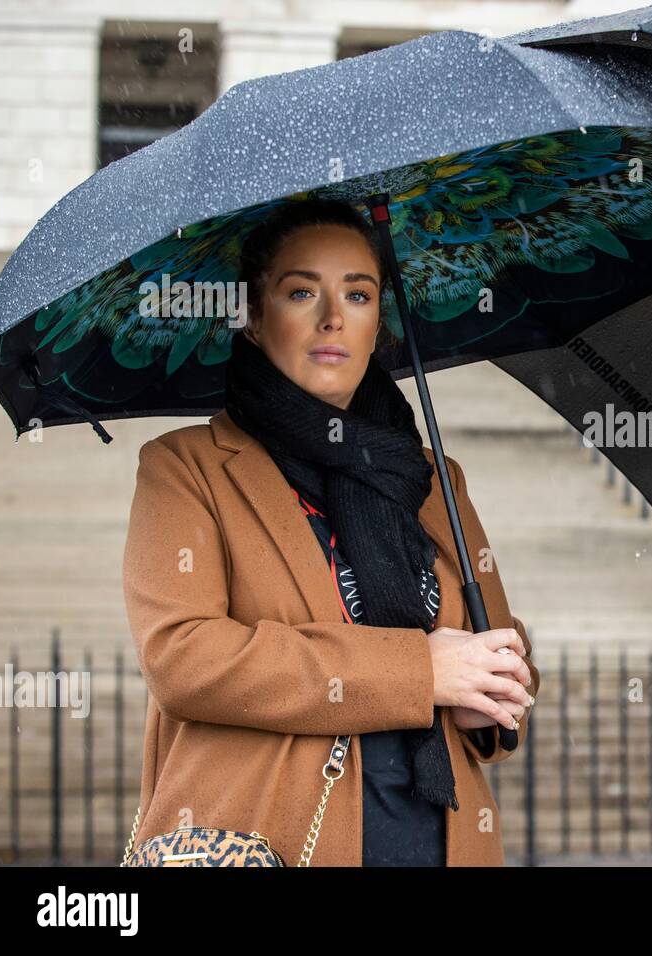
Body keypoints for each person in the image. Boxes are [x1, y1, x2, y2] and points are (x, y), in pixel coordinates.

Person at [123, 198, 539, 866]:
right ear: (255, 319)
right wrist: (418, 671)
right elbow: (185, 659)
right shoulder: (187, 469)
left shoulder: (433, 477)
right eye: (299, 291)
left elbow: (499, 645)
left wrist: (490, 695)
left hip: (438, 839)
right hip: (271, 840)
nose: (332, 317)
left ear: (379, 320)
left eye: (358, 293)